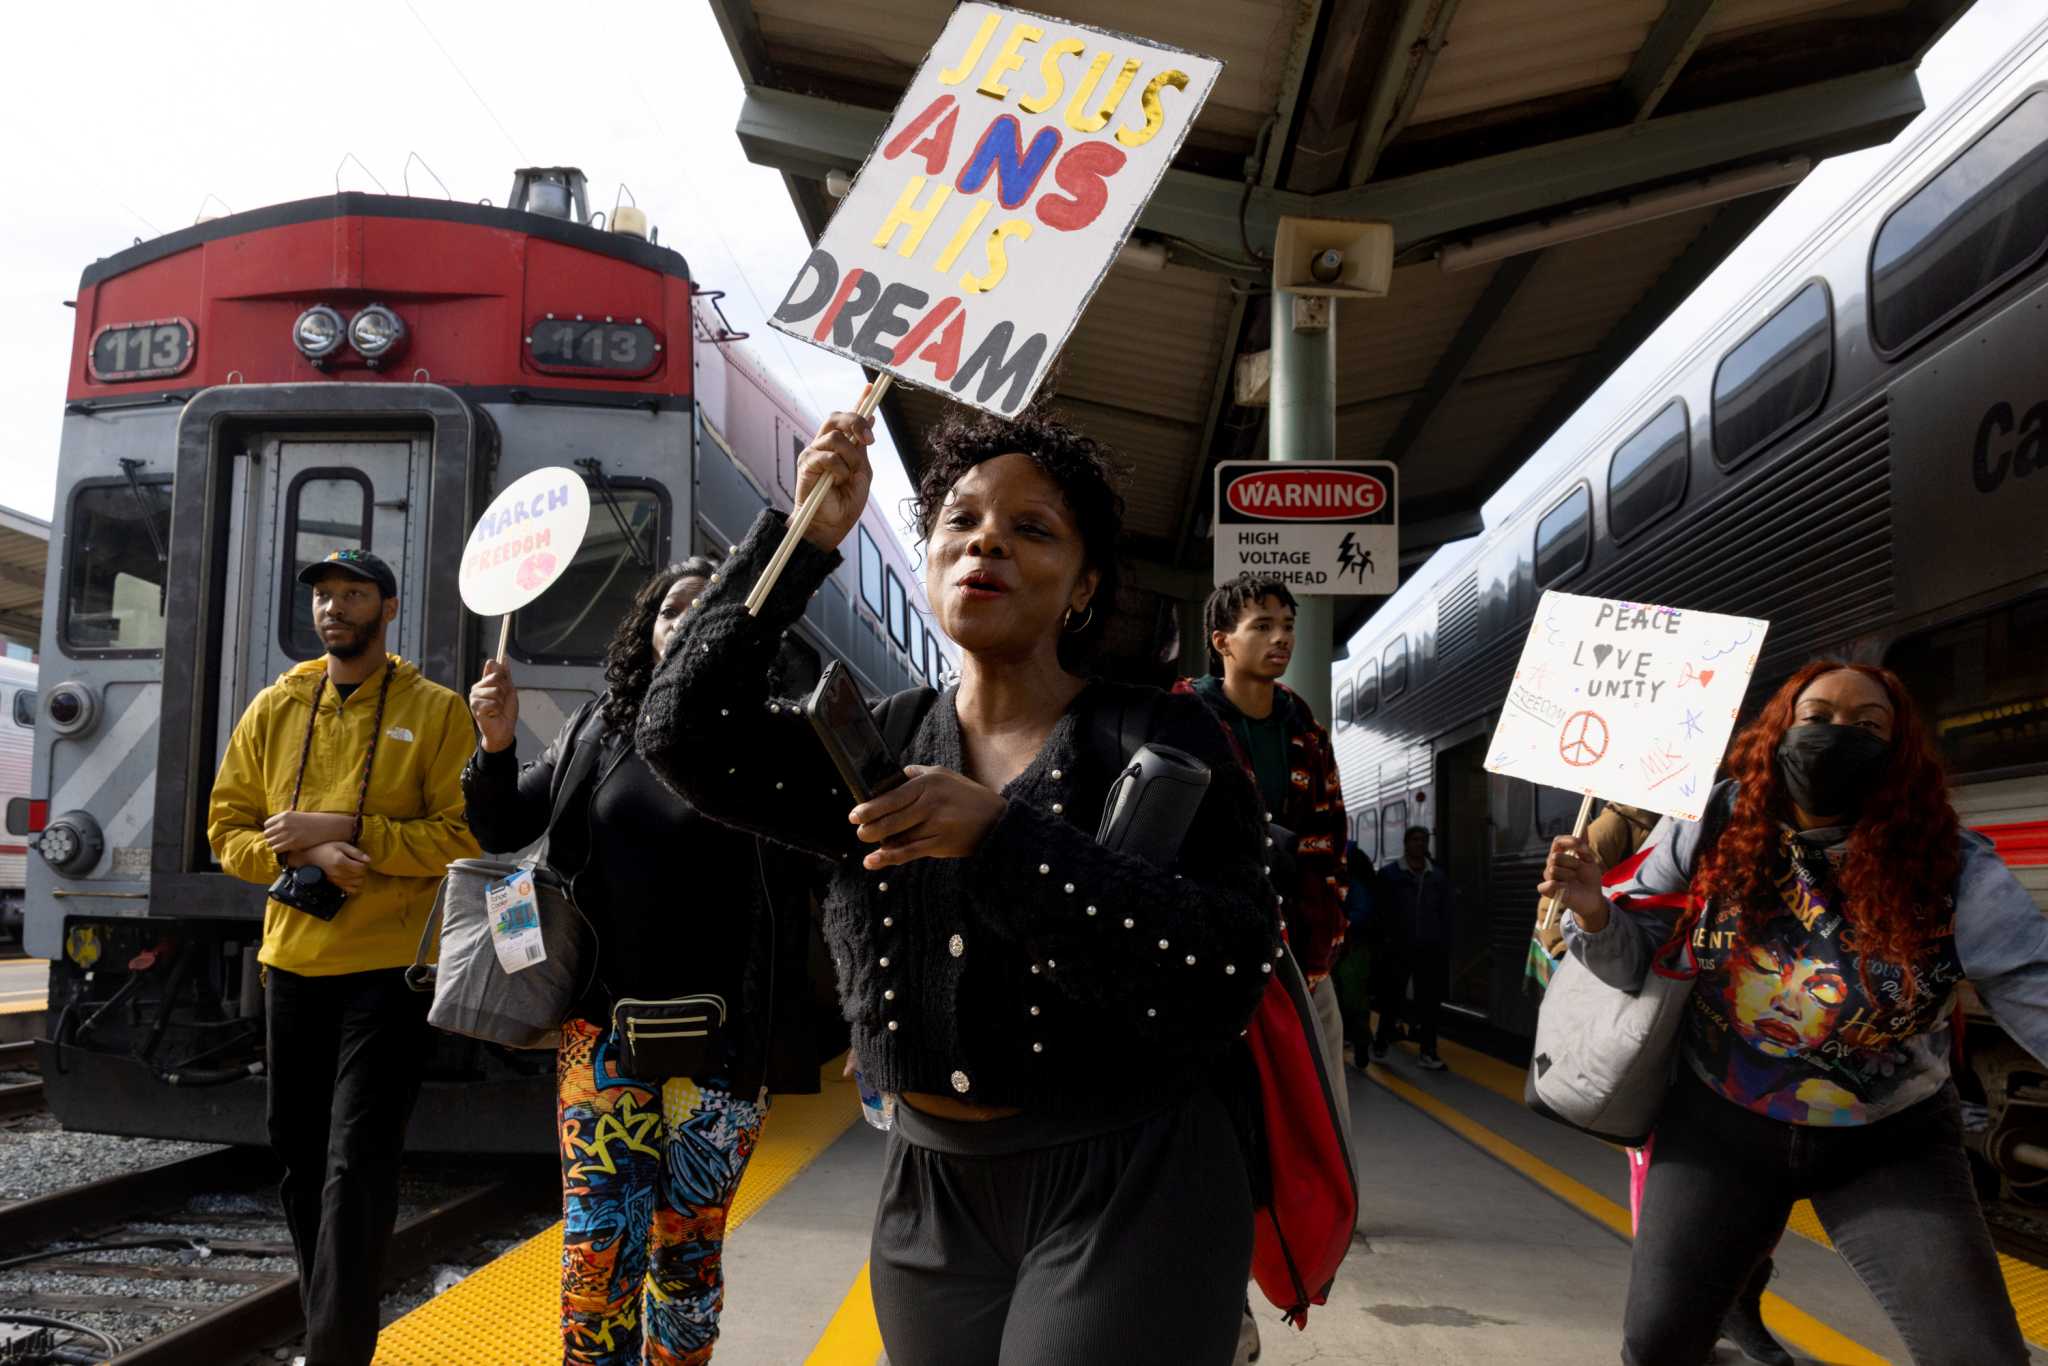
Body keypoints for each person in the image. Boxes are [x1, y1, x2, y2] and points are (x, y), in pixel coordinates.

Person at [637, 405, 1276, 1366]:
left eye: (1032, 528)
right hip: (930, 1192)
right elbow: (681, 733)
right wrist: (801, 540)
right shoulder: (875, 742)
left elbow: (1227, 963)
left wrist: (1002, 839)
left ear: (1084, 586)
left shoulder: (1165, 736)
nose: (987, 542)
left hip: (1136, 1176)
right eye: (961, 521)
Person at [1542, 661, 2048, 1366]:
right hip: (1720, 1128)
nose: (1837, 736)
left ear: (1898, 751)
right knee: (1656, 1349)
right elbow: (1633, 963)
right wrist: (1594, 912)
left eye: (1867, 725)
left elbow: (2031, 981)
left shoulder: (1951, 865)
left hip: (1887, 1140)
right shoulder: (1714, 825)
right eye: (1818, 718)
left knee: (1982, 1356)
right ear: (1780, 731)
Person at [464, 559, 824, 1366]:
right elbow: (503, 823)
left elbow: (831, 868)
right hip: (603, 1039)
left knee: (687, 1260)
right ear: (646, 632)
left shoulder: (771, 741)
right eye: (672, 609)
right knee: (596, 1264)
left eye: (709, 608)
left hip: (726, 1052)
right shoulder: (598, 728)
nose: (686, 620)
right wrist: (495, 745)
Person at [207, 548, 478, 1366]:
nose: (334, 608)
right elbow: (227, 830)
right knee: (296, 1151)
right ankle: (330, 1319)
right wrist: (302, 855)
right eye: (325, 596)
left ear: (387, 609)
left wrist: (354, 833)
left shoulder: (436, 711)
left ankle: (334, 1350)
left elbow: (463, 836)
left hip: (390, 968)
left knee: (357, 1160)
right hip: (293, 959)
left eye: (353, 594)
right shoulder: (275, 707)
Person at [1529, 799, 1793, 1365]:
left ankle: (1735, 1302)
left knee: (1755, 1189)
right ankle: (1674, 1316)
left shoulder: (1727, 810)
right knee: (1659, 1178)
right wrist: (1604, 951)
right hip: (1655, 1022)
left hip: (1728, 1024)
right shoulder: (1615, 823)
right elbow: (1554, 926)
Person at [1372, 826, 1453, 1069]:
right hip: (1398, 947)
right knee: (1392, 998)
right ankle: (1381, 1043)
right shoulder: (1390, 875)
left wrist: (1443, 942)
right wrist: (1384, 941)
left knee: (1429, 1002)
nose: (1420, 844)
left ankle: (1428, 1052)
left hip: (1429, 948)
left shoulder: (1437, 877)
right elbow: (1380, 911)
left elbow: (1446, 912)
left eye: (1424, 840)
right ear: (1406, 843)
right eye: (1415, 840)